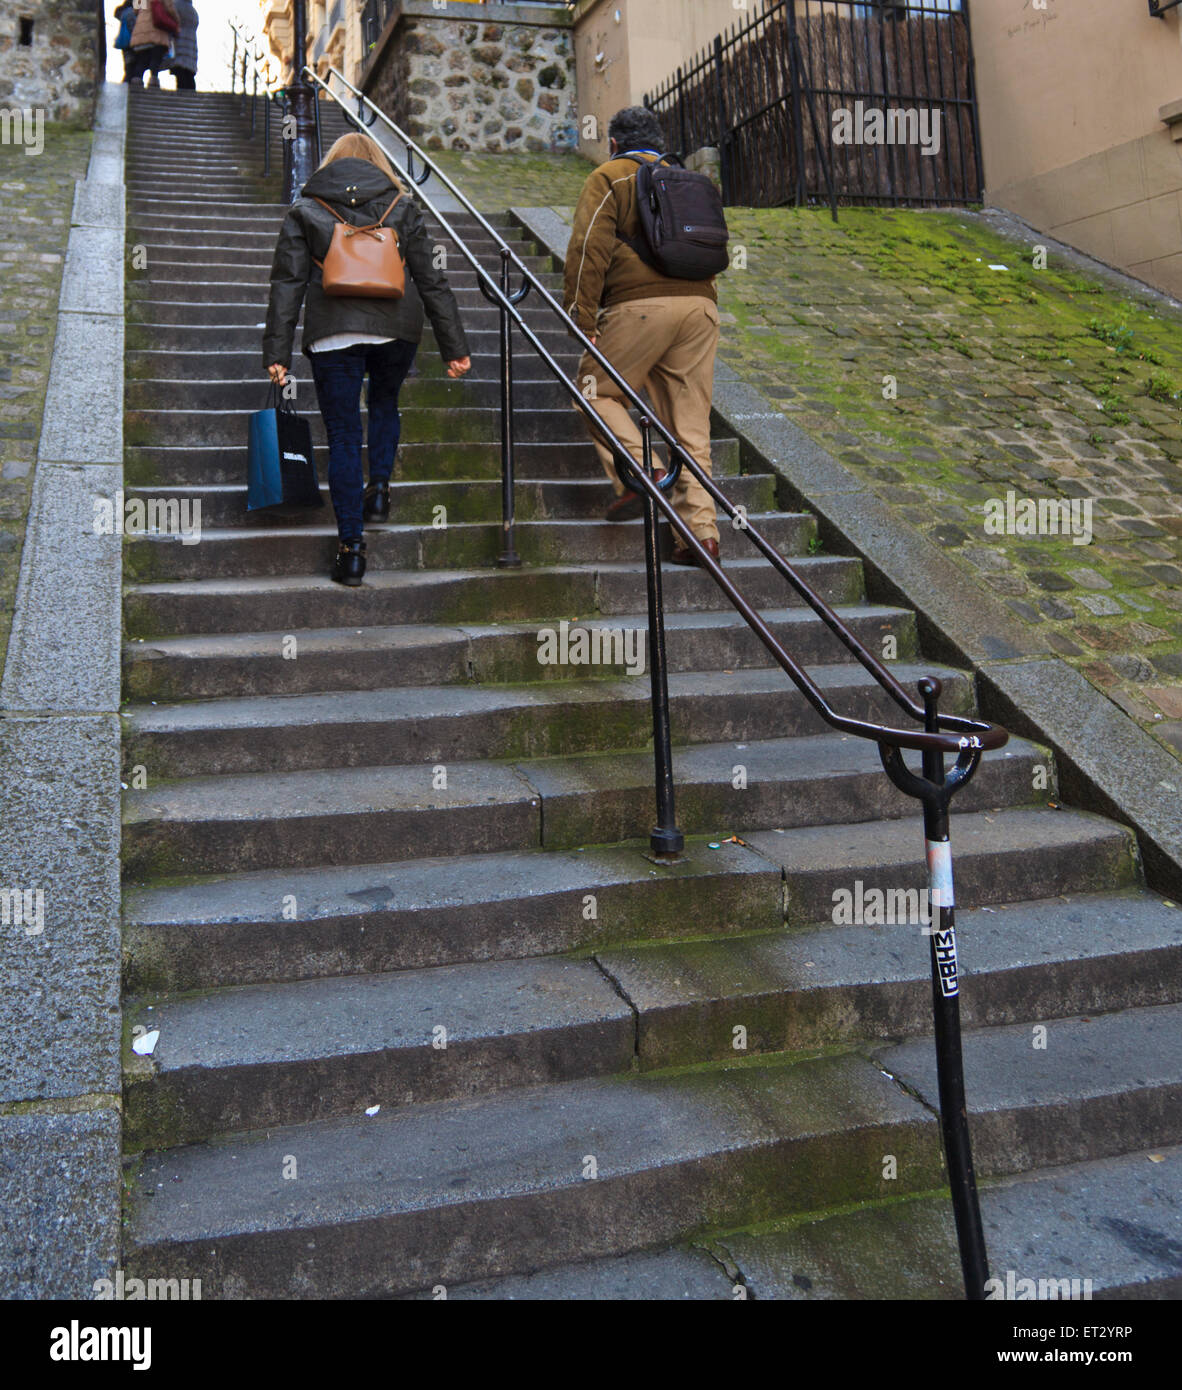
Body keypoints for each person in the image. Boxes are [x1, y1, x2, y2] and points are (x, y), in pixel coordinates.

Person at [263, 132, 471, 587]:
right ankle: (378, 488)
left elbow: (287, 284)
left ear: (332, 164)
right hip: (396, 329)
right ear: (378, 163)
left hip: (333, 330)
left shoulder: (307, 208)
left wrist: (277, 353)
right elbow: (431, 279)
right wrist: (454, 346)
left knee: (341, 436)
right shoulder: (402, 205)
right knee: (384, 404)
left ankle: (351, 551)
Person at [564, 106, 722, 567]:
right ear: (658, 140)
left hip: (639, 310)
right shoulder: (690, 181)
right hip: (701, 309)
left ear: (614, 143)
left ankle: (642, 469)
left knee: (594, 391)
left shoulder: (609, 176)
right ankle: (702, 538)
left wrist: (583, 319)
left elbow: (587, 248)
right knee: (691, 430)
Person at [126, 0, 179, 87]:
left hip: (142, 29)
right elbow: (170, 9)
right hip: (157, 28)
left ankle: (137, 80)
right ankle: (153, 79)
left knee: (142, 58)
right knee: (156, 57)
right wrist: (177, 20)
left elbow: (135, 9)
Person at [169, 0, 199, 90]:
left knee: (180, 74)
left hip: (179, 43)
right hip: (191, 47)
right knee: (189, 75)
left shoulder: (176, 6)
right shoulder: (193, 11)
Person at [113, 1, 136, 82]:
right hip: (133, 42)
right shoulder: (131, 11)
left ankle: (126, 83)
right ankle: (128, 84)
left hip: (125, 42)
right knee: (132, 66)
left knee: (128, 65)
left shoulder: (124, 12)